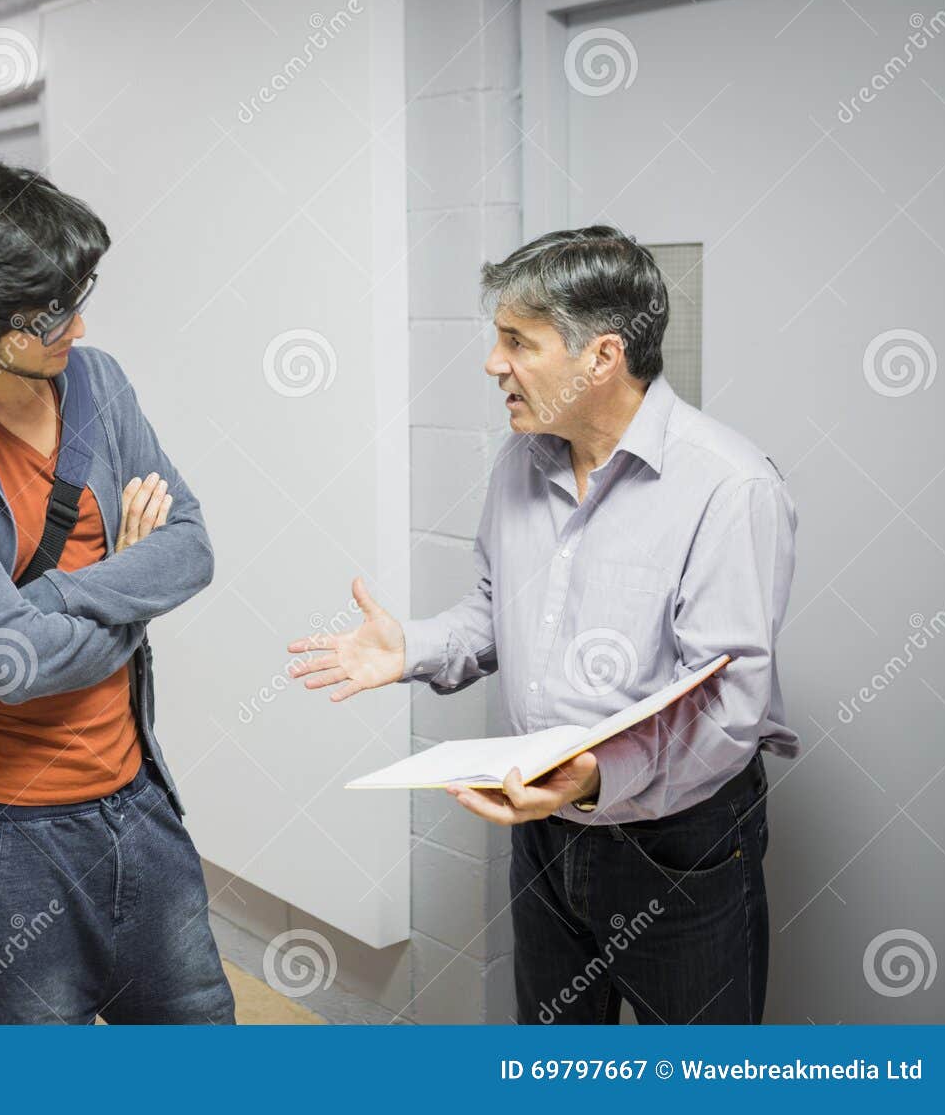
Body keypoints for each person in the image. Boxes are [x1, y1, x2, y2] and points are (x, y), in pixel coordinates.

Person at [288, 226, 798, 1024]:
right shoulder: (522, 459)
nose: (495, 364)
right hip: (544, 832)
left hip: (679, 845)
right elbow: (498, 610)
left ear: (601, 357)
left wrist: (598, 778)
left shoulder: (729, 487)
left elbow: (728, 710)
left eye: (517, 341)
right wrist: (413, 648)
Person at [0, 156, 234, 1025]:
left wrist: (47, 603)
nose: (76, 323)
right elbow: (8, 664)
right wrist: (121, 599)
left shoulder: (98, 382)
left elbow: (191, 546)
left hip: (140, 802)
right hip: (8, 841)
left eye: (78, 293)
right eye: (46, 314)